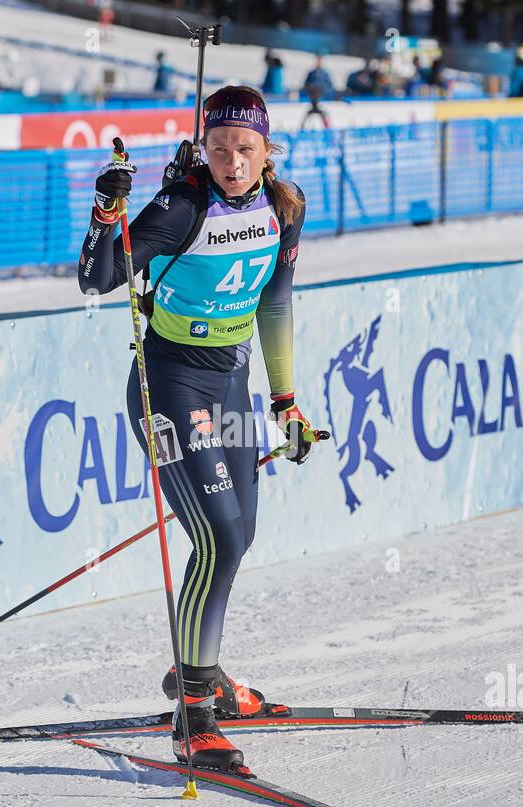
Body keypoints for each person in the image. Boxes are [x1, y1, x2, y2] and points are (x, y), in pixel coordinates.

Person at [77, 86, 314, 772]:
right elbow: (98, 278)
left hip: (231, 383)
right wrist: (108, 212)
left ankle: (203, 675)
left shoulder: (284, 207)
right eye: (219, 149)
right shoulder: (182, 207)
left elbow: (276, 303)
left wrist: (286, 402)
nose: (232, 162)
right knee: (220, 536)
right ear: (203, 149)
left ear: (268, 150)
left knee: (236, 538)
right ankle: (194, 714)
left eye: (245, 149)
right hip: (169, 385)